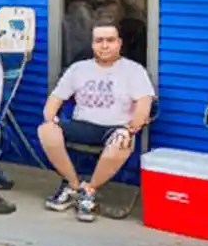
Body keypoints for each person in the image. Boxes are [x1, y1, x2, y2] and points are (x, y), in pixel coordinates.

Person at [37, 20, 154, 222]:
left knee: (121, 140)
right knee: (46, 130)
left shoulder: (134, 70)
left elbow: (144, 105)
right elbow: (55, 99)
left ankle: (90, 190)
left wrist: (131, 128)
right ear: (92, 44)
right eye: (99, 40)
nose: (105, 45)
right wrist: (51, 117)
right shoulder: (78, 69)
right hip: (82, 124)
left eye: (110, 40)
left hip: (116, 127)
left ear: (119, 43)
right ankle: (74, 186)